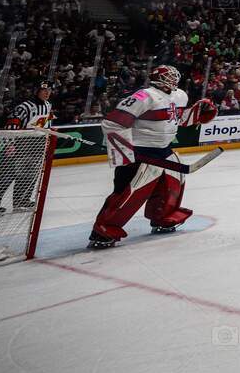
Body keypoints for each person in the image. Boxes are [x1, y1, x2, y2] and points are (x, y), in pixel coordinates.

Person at [88, 65, 214, 249]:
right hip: (141, 152)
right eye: (169, 77)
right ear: (158, 79)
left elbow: (176, 119)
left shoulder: (180, 95)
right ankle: (103, 230)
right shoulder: (143, 96)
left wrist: (198, 113)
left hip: (164, 150)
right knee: (127, 193)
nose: (174, 80)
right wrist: (124, 153)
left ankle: (163, 218)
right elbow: (113, 123)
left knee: (170, 186)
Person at [0, 78, 54, 217]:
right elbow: (12, 124)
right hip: (19, 146)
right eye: (44, 90)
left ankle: (21, 201)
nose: (47, 93)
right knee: (5, 176)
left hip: (36, 147)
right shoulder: (24, 107)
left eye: (49, 90)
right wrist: (10, 144)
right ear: (37, 91)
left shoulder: (48, 105)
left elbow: (46, 124)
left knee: (29, 175)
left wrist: (46, 141)